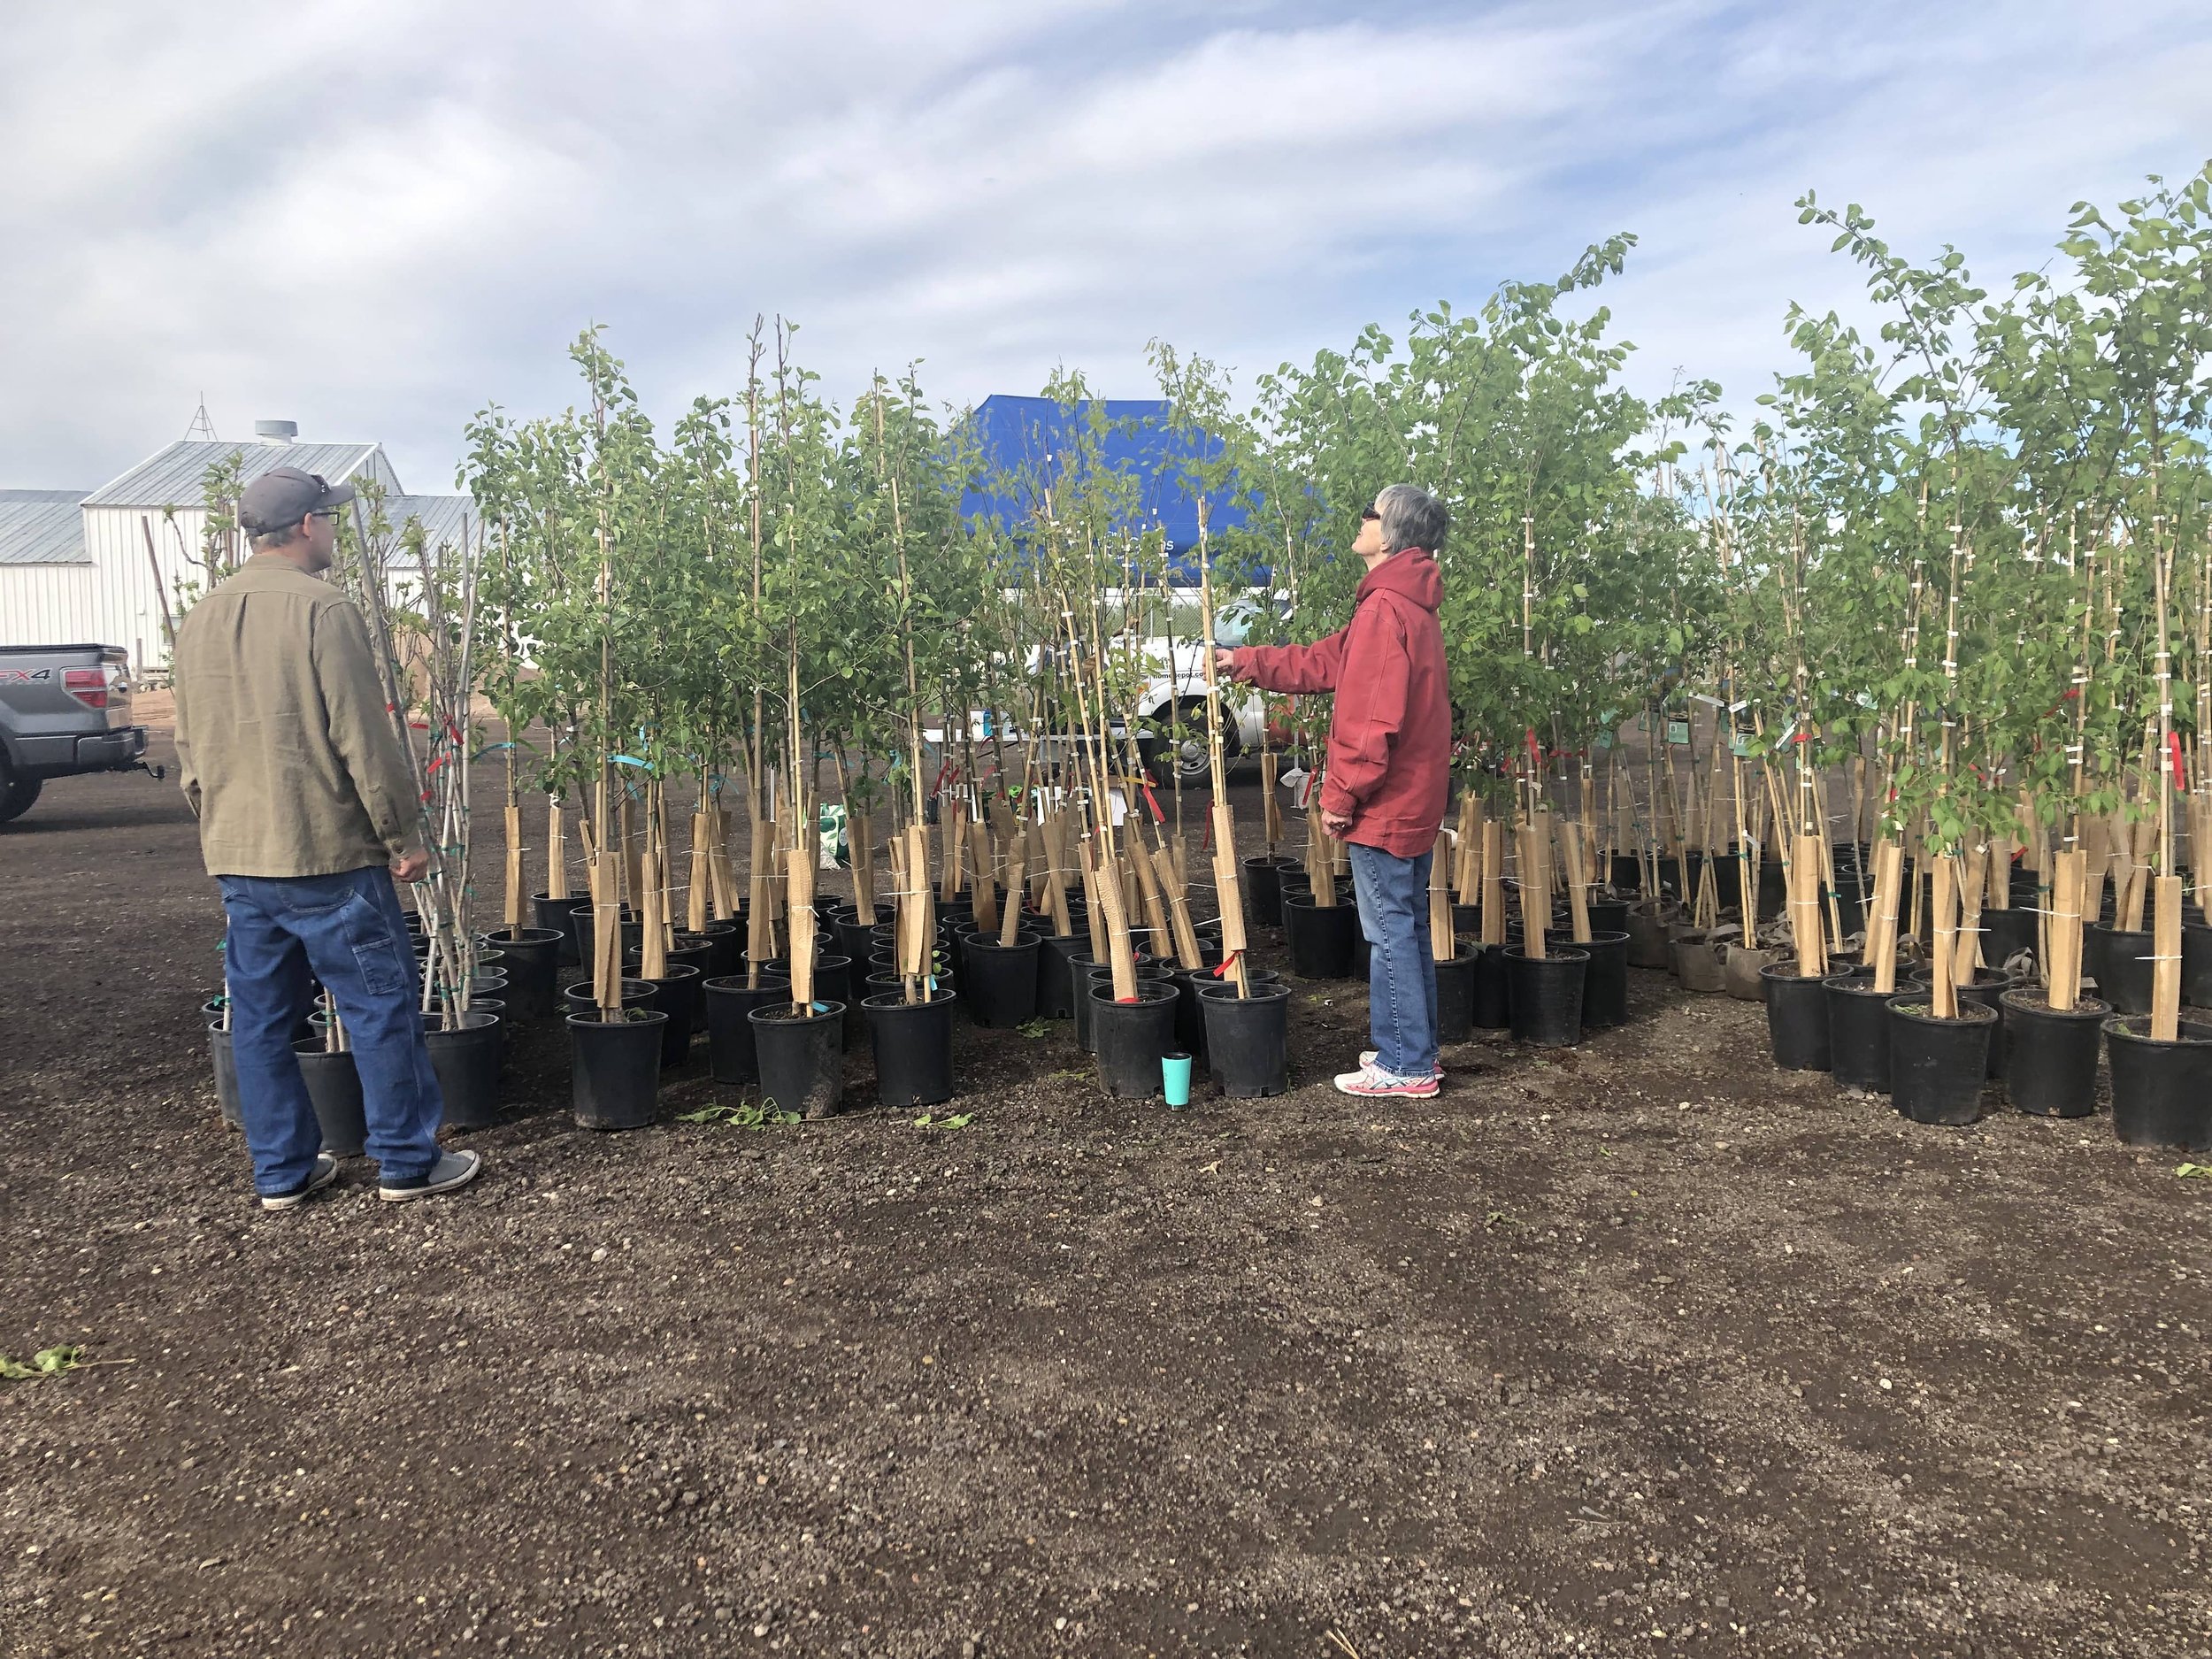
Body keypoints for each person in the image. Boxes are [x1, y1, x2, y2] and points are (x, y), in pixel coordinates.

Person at [173, 466, 481, 1209]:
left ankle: (282, 1171)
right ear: (307, 525)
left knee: (260, 1020)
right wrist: (403, 834)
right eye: (331, 518)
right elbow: (363, 735)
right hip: (328, 853)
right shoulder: (323, 609)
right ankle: (406, 1161)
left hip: (242, 856)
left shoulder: (202, 616)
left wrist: (219, 824)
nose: (335, 530)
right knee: (380, 1006)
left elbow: (189, 745)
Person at [1217, 483, 1451, 1099]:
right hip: (1414, 797)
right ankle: (1416, 1052)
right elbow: (1326, 662)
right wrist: (1246, 661)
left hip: (1386, 804)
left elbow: (1370, 722)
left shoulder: (1385, 609)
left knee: (1389, 932)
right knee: (1407, 928)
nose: (1361, 519)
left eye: (1370, 512)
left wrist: (1340, 799)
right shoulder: (1406, 605)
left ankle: (1404, 1065)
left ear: (1390, 535)